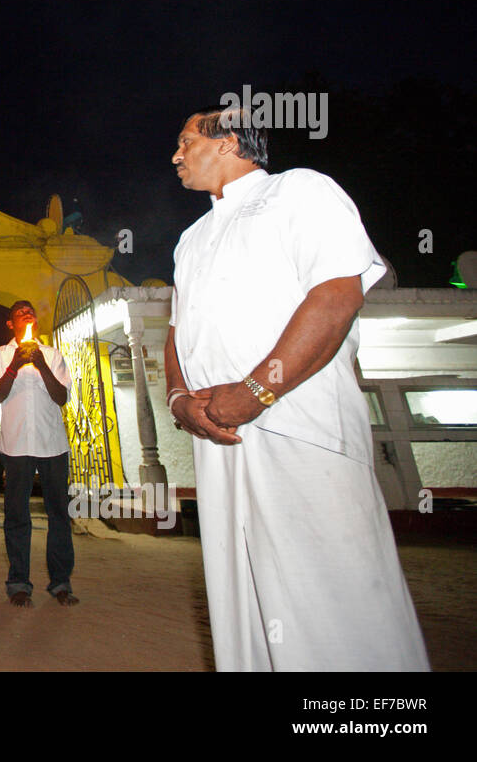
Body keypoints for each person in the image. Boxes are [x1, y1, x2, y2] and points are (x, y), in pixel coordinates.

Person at [166, 106, 429, 671]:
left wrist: (255, 393)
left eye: (186, 142)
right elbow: (176, 332)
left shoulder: (300, 191)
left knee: (331, 592)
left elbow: (336, 296)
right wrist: (179, 400)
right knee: (243, 599)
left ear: (230, 142)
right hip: (220, 439)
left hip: (296, 421)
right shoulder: (190, 239)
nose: (176, 155)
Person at [0, 301, 76, 607]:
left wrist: (40, 363)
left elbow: (62, 397)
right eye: (20, 312)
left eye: (30, 311)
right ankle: (19, 583)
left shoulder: (52, 354)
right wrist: (15, 365)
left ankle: (61, 581)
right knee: (16, 516)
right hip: (16, 444)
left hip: (52, 444)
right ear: (11, 323)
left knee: (58, 515)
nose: (27, 314)